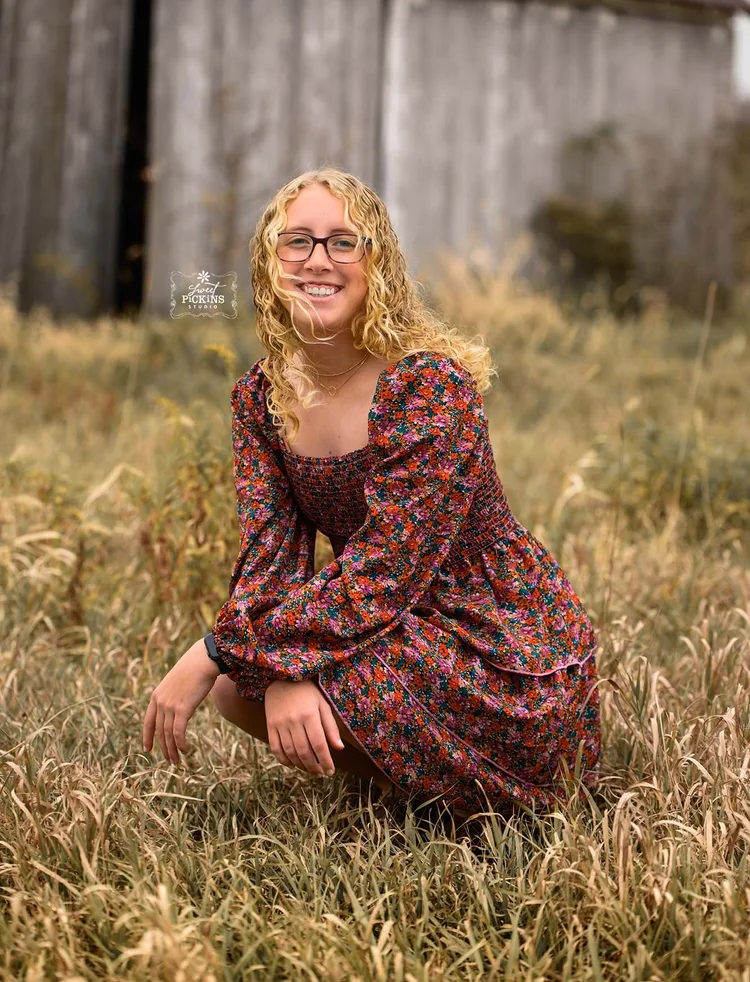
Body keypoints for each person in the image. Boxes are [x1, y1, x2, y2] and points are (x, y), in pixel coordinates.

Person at [142, 167, 601, 820]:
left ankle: (500, 803)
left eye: (342, 242)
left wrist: (219, 647)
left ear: (375, 260)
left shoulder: (426, 387)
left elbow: (388, 566)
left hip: (497, 644)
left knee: (232, 666)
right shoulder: (260, 398)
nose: (317, 260)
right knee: (236, 690)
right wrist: (274, 668)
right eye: (296, 242)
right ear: (269, 263)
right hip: (382, 624)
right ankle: (417, 788)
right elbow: (269, 556)